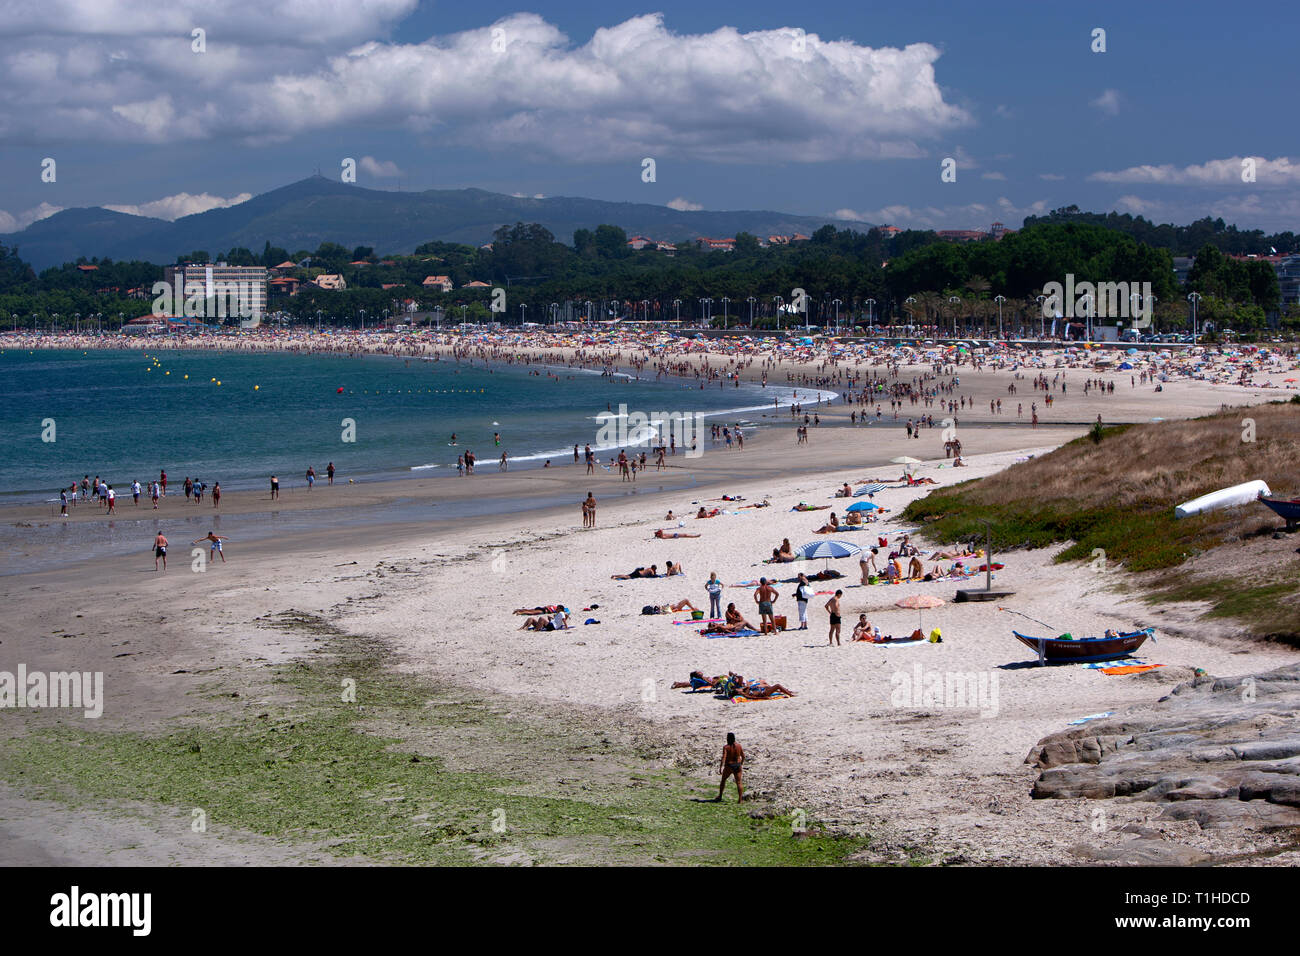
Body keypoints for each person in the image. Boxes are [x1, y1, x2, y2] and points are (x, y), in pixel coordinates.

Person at [715, 732, 744, 802]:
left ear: (728, 739)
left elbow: (724, 757)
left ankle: (720, 796)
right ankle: (740, 799)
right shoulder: (739, 746)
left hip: (729, 766)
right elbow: (743, 756)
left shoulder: (726, 747)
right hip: (737, 765)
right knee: (739, 782)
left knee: (723, 780)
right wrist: (741, 763)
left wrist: (721, 767)